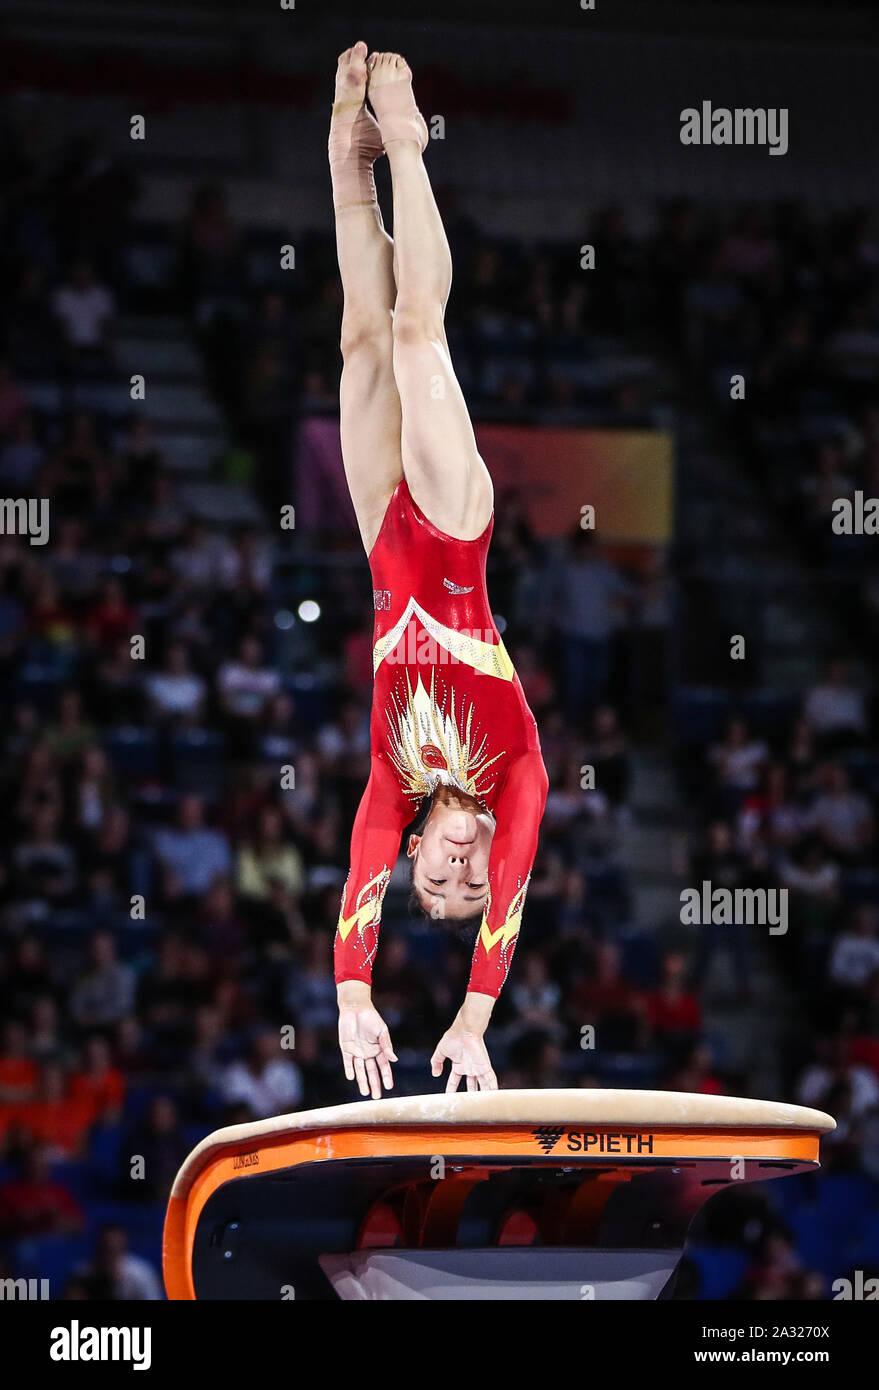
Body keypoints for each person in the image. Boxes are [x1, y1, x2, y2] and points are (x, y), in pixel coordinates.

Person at [328, 45, 548, 1098]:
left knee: (363, 342)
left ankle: (347, 158)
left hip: (381, 537)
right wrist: (470, 1018)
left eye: (438, 875)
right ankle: (410, 145)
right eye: (470, 876)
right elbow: (509, 903)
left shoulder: (390, 783)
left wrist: (354, 996)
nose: (463, 868)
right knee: (420, 334)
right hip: (455, 536)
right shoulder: (518, 781)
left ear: (413, 844)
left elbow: (359, 885)